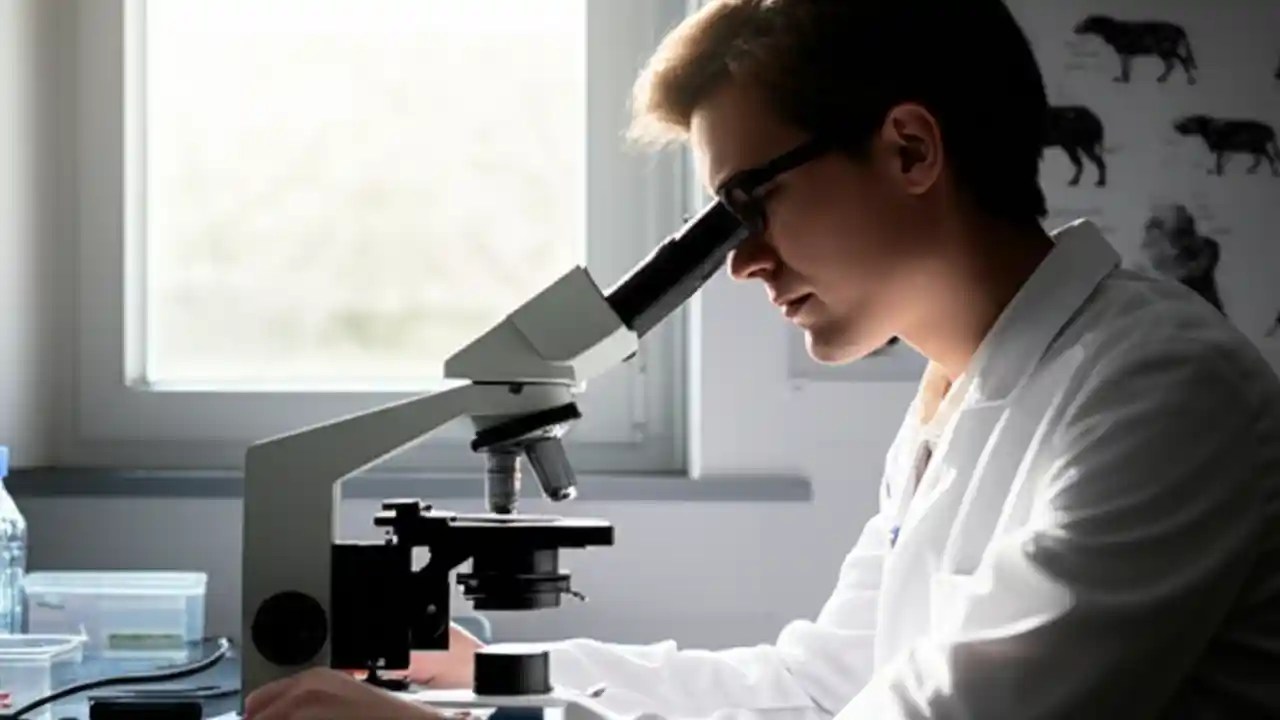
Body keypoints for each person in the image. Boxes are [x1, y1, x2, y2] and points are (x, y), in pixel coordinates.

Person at [246, 0, 1280, 718]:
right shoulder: (961, 391)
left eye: (751, 203)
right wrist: (505, 674)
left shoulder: (1158, 390)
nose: (739, 262)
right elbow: (829, 683)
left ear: (910, 150)